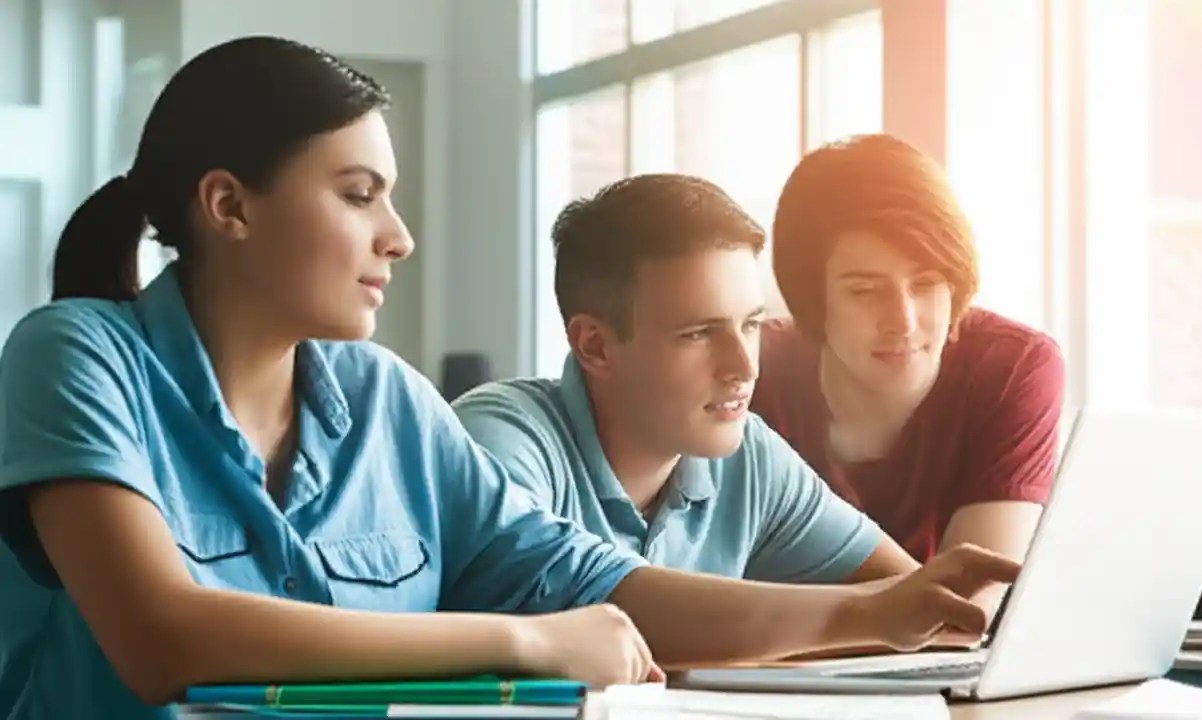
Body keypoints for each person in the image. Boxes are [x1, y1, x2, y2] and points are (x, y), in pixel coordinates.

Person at [0, 39, 1018, 720]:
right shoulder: (76, 355)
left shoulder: (390, 403)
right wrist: (527, 642)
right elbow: (161, 637)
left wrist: (869, 615)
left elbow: (599, 588)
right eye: (357, 195)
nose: (397, 237)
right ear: (228, 206)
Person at [454, 174, 919, 584]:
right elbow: (582, 606)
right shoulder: (498, 438)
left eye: (751, 325)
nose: (745, 367)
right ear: (595, 346)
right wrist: (856, 616)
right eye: (698, 333)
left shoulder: (749, 458)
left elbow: (910, 600)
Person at [751, 133, 1067, 569]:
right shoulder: (748, 370)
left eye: (926, 284)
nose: (903, 321)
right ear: (812, 296)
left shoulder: (1011, 367)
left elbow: (971, 598)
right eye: (865, 291)